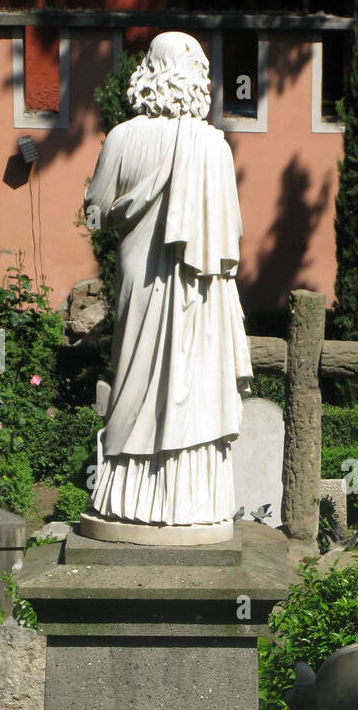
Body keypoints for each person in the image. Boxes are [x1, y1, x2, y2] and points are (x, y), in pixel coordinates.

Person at [81, 32, 252, 537]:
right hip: (199, 294)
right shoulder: (213, 146)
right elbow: (231, 237)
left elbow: (95, 214)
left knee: (134, 379)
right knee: (193, 383)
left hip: (140, 281)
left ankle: (126, 497)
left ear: (149, 72)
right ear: (195, 77)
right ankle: (190, 502)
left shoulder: (121, 138)